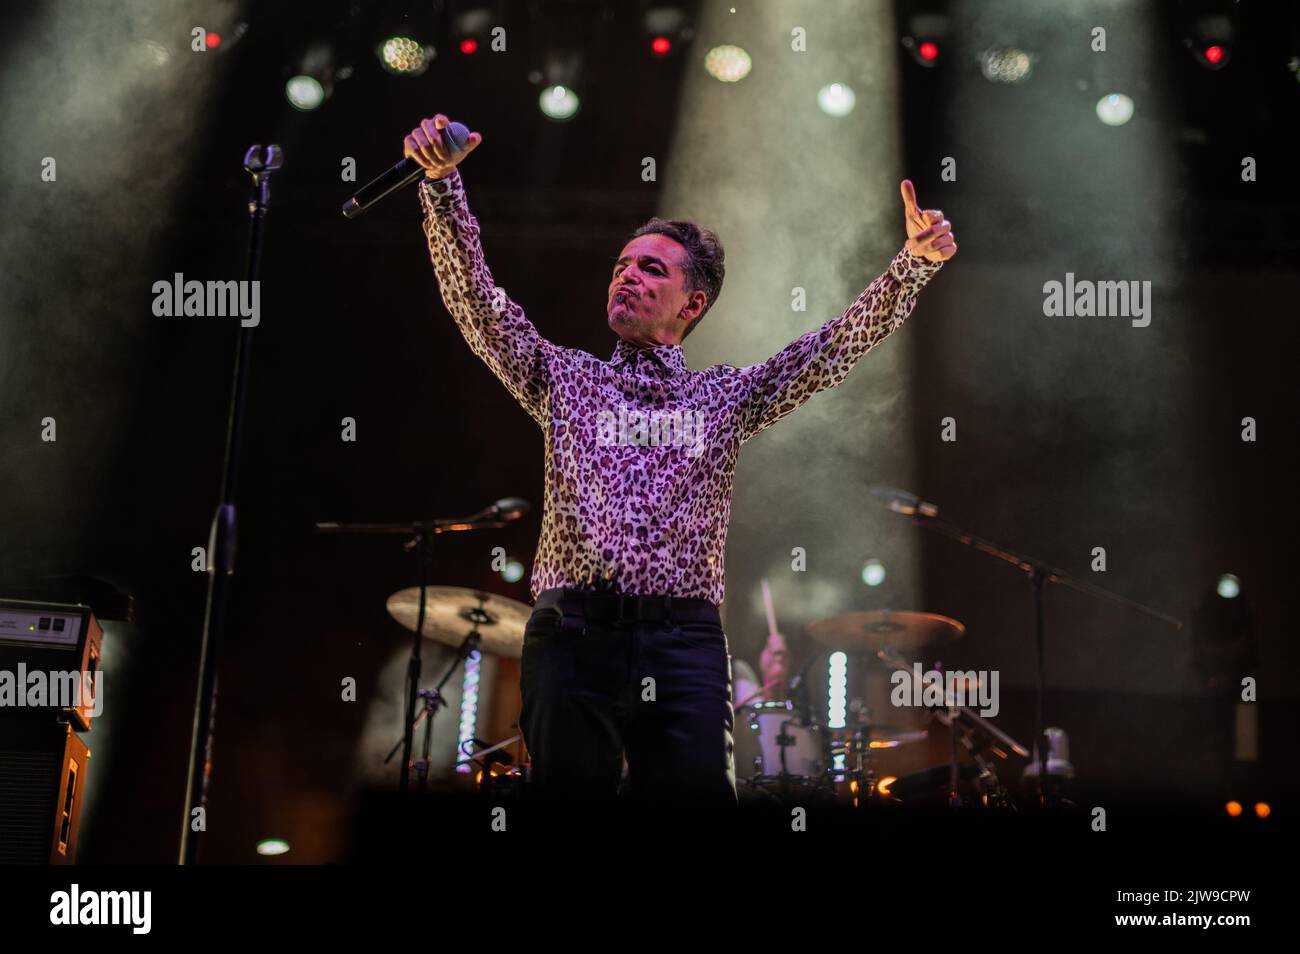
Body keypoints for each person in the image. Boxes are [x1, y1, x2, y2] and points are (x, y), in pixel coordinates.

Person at [404, 114, 956, 803]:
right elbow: (477, 303)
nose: (626, 277)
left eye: (650, 268)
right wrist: (441, 184)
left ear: (692, 303)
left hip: (684, 644)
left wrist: (912, 267)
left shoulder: (723, 397)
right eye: (621, 266)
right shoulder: (565, 378)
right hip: (573, 633)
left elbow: (828, 352)